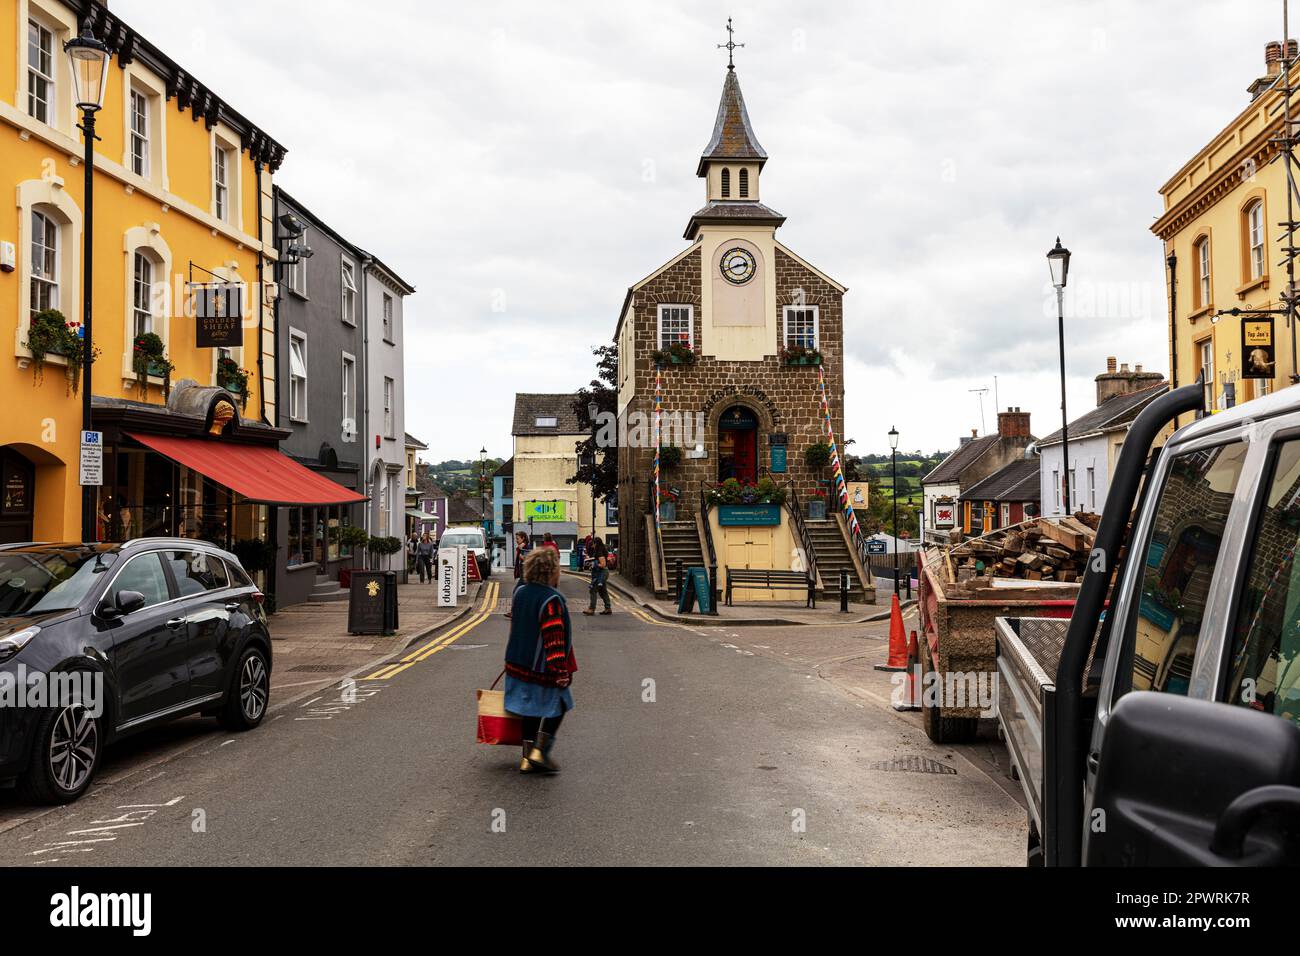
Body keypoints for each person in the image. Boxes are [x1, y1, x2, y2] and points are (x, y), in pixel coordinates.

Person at [504, 546, 574, 773]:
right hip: (540, 668)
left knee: (530, 710)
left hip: (516, 664)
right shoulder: (551, 599)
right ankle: (539, 752)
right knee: (561, 703)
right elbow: (553, 639)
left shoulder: (520, 593)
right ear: (550, 571)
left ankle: (526, 758)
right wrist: (560, 671)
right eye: (558, 569)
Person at [582, 535, 612, 616]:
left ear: (596, 544)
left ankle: (591, 609)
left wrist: (593, 565)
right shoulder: (601, 550)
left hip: (601, 574)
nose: (592, 546)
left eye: (593, 544)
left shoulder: (599, 552)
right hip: (601, 573)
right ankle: (608, 608)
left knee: (593, 590)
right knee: (603, 591)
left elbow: (603, 564)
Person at [506, 531, 530, 618]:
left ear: (523, 538)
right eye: (516, 538)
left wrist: (523, 558)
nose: (516, 540)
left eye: (517, 538)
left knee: (516, 592)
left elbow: (530, 559)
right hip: (524, 574)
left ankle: (515, 612)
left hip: (526, 575)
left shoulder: (526, 547)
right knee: (523, 594)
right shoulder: (522, 547)